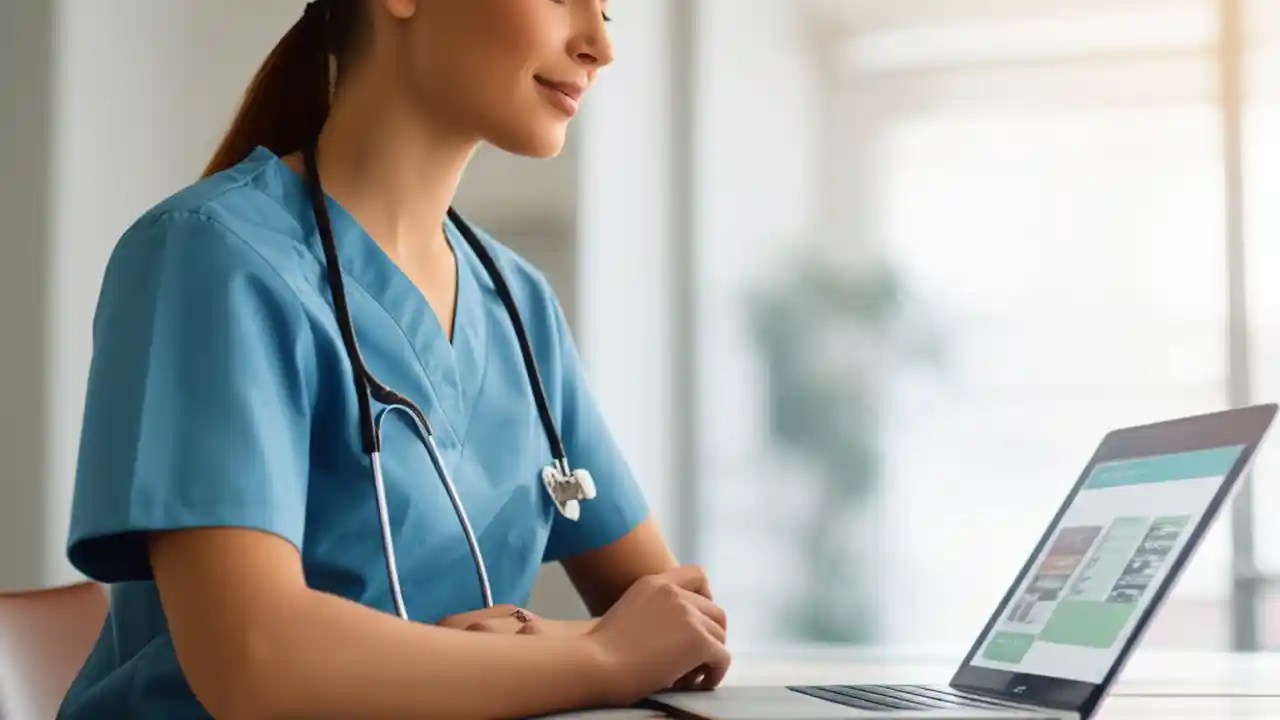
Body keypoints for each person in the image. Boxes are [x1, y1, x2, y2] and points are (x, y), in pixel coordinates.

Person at [57, 1, 730, 717]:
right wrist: (596, 655)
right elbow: (254, 659)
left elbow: (679, 624)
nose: (600, 45)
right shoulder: (210, 259)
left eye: (609, 8)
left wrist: (541, 642)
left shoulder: (519, 304)